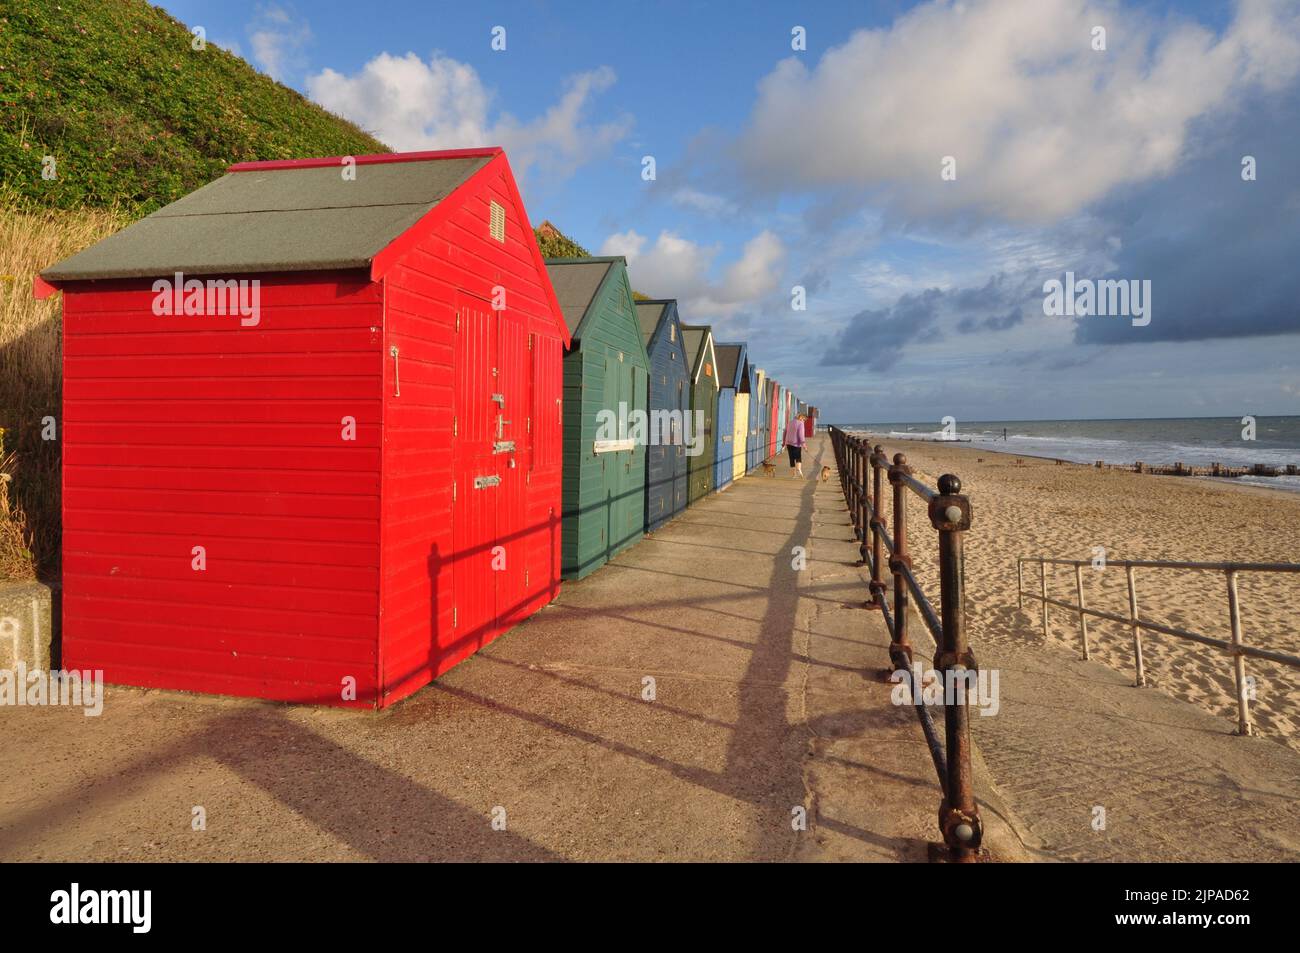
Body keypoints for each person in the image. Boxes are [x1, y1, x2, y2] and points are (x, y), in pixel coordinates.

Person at [784, 413, 808, 478]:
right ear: (801, 417)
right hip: (796, 444)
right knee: (798, 458)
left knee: (791, 459)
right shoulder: (800, 423)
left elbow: (786, 432)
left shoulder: (790, 422)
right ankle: (799, 469)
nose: (804, 421)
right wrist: (804, 445)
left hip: (789, 443)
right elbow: (801, 435)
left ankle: (793, 474)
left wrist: (785, 443)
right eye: (804, 419)